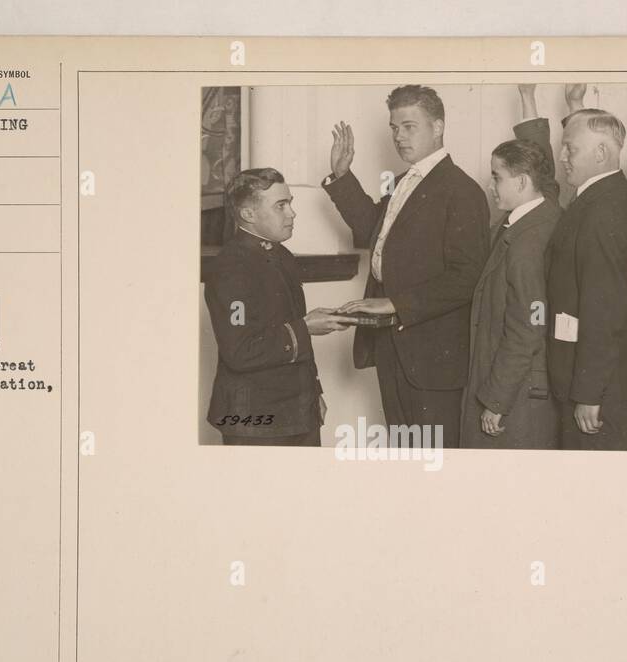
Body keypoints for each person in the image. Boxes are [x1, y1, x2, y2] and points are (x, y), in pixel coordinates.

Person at [322, 85, 490, 448]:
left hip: (432, 359)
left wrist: (396, 303)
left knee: (434, 462)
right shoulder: (404, 183)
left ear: (438, 127)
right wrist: (342, 176)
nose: (399, 137)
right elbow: (372, 230)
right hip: (393, 346)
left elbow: (467, 276)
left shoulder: (461, 191)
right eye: (394, 128)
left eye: (409, 126)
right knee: (404, 458)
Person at [514, 86, 627, 450]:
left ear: (601, 153)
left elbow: (604, 308)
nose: (563, 155)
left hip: (594, 385)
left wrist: (589, 392)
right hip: (582, 377)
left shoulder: (603, 209)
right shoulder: (598, 197)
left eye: (571, 148)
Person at [203, 168, 352, 446]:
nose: (292, 213)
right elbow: (239, 352)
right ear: (248, 214)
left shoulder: (281, 255)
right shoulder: (231, 267)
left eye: (290, 203)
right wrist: (305, 328)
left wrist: (313, 393)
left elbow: (291, 326)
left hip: (298, 410)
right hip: (254, 420)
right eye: (281, 206)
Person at [461, 139, 561, 449]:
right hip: (515, 384)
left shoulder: (528, 242)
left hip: (515, 395)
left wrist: (497, 400)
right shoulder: (533, 217)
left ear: (521, 182)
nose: (491, 186)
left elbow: (528, 329)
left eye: (496, 177)